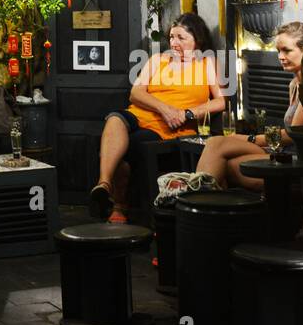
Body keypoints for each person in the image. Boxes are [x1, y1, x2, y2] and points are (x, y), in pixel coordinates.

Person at [89, 12, 225, 223]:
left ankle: (119, 206)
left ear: (197, 39)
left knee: (130, 147)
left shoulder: (207, 64)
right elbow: (136, 93)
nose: (174, 42)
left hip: (171, 127)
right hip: (142, 114)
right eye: (172, 37)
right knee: (115, 119)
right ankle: (103, 184)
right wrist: (164, 108)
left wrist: (188, 113)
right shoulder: (157, 60)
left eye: (181, 37)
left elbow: (220, 101)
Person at [199, 22, 303, 190]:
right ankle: (200, 203)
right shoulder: (294, 84)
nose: (281, 57)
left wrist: (251, 138)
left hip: (299, 160)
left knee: (223, 162)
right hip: (281, 152)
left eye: (287, 50)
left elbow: (294, 134)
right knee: (215, 143)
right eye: (278, 51)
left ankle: (196, 202)